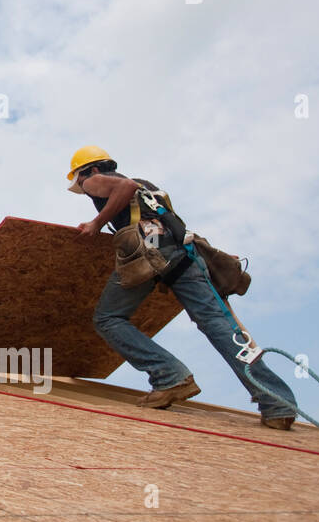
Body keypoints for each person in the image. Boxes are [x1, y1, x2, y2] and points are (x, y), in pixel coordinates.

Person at [67, 145, 299, 430]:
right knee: (219, 326)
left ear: (91, 169)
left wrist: (96, 223)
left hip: (152, 255)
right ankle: (277, 403)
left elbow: (123, 187)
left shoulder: (97, 180)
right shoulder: (148, 187)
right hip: (185, 257)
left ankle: (169, 376)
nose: (83, 187)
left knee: (108, 318)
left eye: (80, 180)